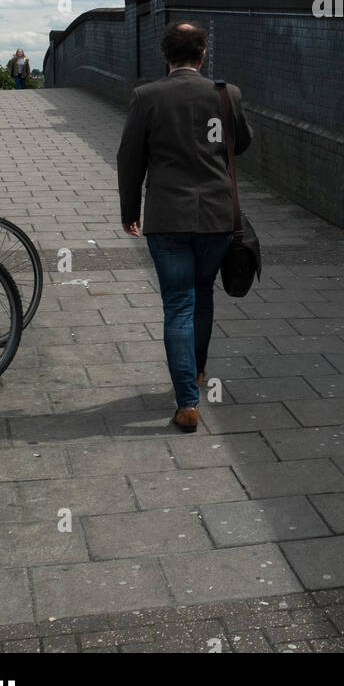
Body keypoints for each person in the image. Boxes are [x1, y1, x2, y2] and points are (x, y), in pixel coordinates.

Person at [116, 21, 252, 432]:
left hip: (167, 216)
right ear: (203, 53)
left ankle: (187, 402)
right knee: (202, 294)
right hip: (216, 215)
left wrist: (129, 209)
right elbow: (241, 143)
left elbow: (129, 157)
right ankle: (194, 373)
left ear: (166, 55)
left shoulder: (147, 97)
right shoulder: (227, 94)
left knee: (178, 304)